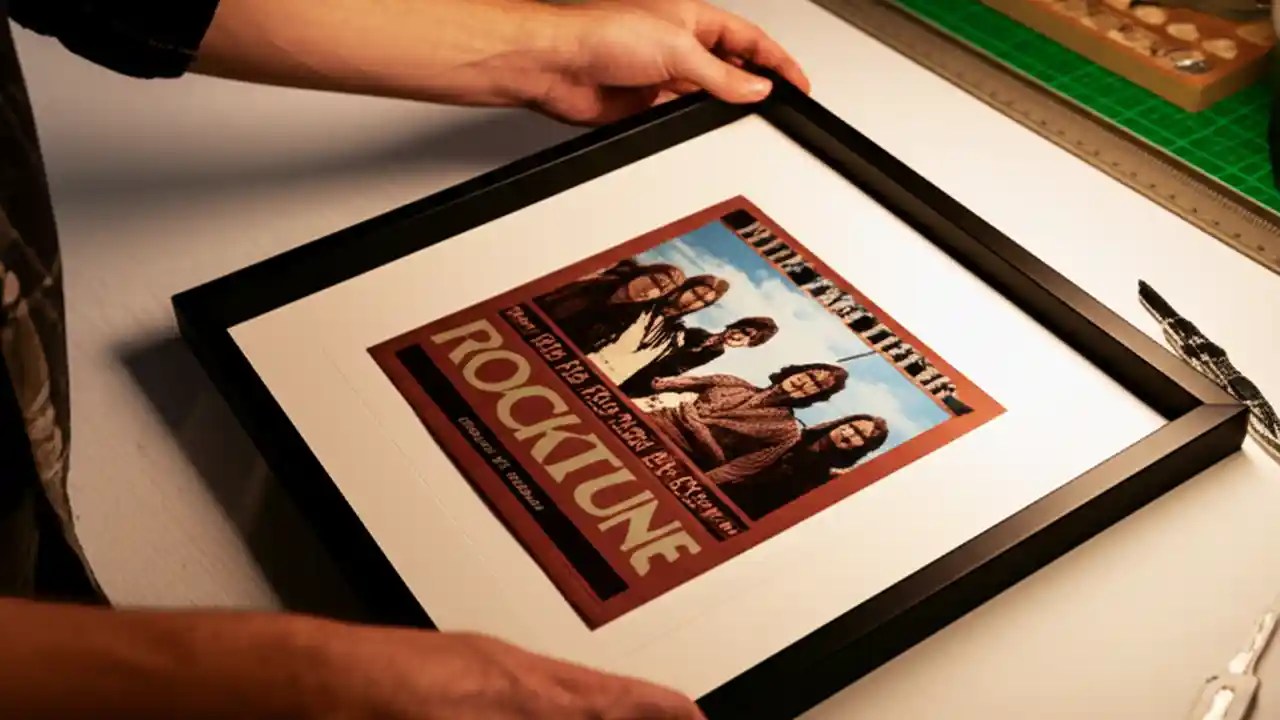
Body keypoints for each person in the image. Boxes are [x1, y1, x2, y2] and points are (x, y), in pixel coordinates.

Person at [0, 1, 810, 718]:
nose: (685, 299)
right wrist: (269, 676)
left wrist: (552, 52)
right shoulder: (626, 301)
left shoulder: (701, 362)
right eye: (680, 286)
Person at [642, 363, 848, 486]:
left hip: (679, 460)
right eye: (809, 375)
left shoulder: (786, 432)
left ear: (816, 396)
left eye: (817, 386)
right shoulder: (731, 382)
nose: (806, 383)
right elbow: (666, 383)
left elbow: (734, 470)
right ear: (796, 371)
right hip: (648, 425)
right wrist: (661, 384)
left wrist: (688, 484)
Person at [718, 413, 890, 520]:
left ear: (864, 446)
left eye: (860, 435)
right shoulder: (793, 435)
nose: (848, 433)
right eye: (851, 426)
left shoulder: (826, 477)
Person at [617, 315, 779, 398]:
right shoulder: (698, 333)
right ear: (737, 324)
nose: (738, 337)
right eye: (744, 331)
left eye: (748, 340)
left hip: (656, 380)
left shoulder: (717, 352)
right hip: (637, 364)